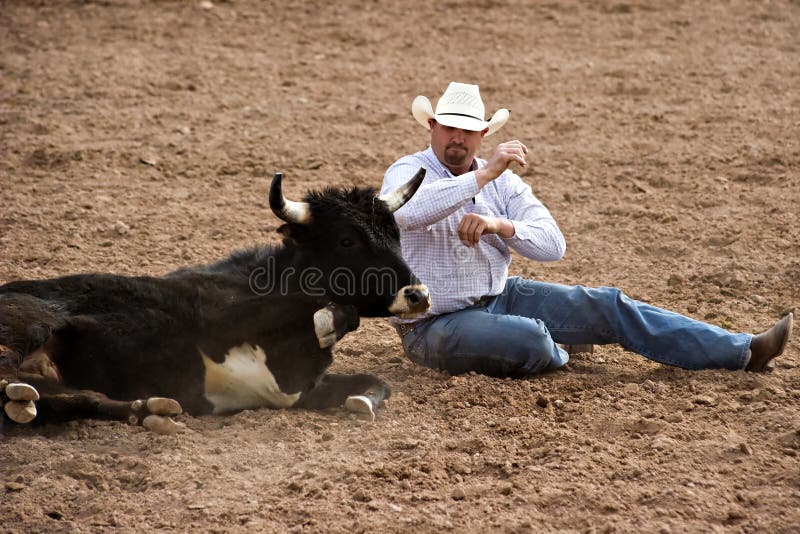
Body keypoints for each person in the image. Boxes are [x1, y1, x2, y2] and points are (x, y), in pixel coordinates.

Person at [381, 81, 793, 378]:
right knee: (530, 339)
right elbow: (404, 213)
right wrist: (483, 175)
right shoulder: (410, 170)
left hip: (500, 295)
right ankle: (555, 346)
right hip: (431, 325)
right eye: (449, 127)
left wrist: (501, 225)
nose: (457, 138)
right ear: (431, 127)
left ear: (482, 134)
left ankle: (744, 350)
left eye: (468, 129)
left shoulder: (504, 182)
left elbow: (553, 244)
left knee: (609, 305)